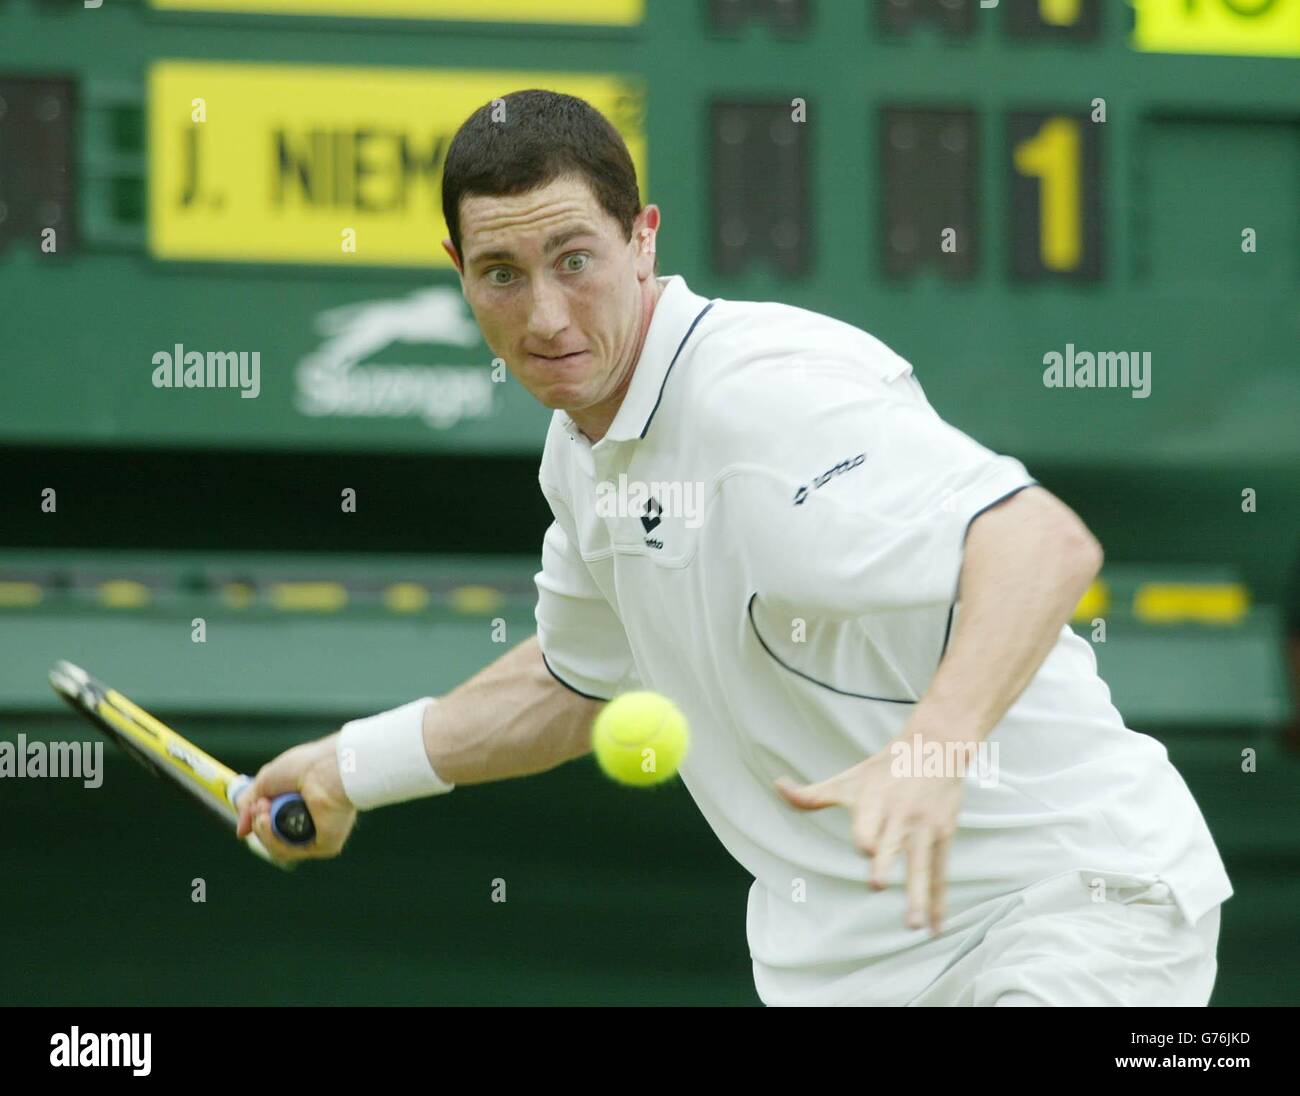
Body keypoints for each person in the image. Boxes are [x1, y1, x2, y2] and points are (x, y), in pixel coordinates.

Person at [236, 89, 1232, 1007]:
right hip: (860, 970)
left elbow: (1041, 544)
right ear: (459, 273)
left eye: (573, 260)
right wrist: (347, 764)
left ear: (642, 239)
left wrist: (931, 749)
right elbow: (568, 685)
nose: (545, 317)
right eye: (503, 274)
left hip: (1072, 909)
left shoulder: (766, 399)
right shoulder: (583, 449)